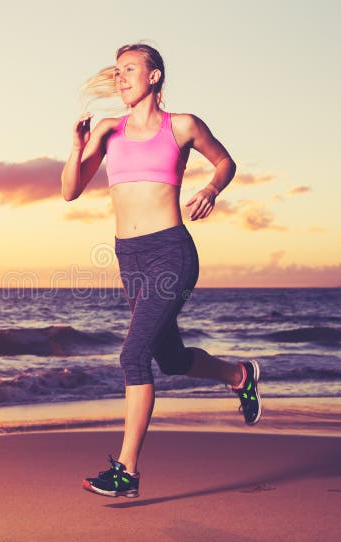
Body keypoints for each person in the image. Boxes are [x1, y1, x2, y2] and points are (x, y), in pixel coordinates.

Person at [60, 42, 262, 499]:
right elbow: (70, 191)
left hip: (171, 253)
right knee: (168, 359)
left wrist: (212, 187)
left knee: (133, 356)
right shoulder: (109, 130)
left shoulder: (183, 125)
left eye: (129, 69)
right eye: (116, 71)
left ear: (154, 76)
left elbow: (226, 161)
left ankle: (127, 472)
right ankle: (239, 376)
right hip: (128, 256)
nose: (120, 77)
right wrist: (75, 149)